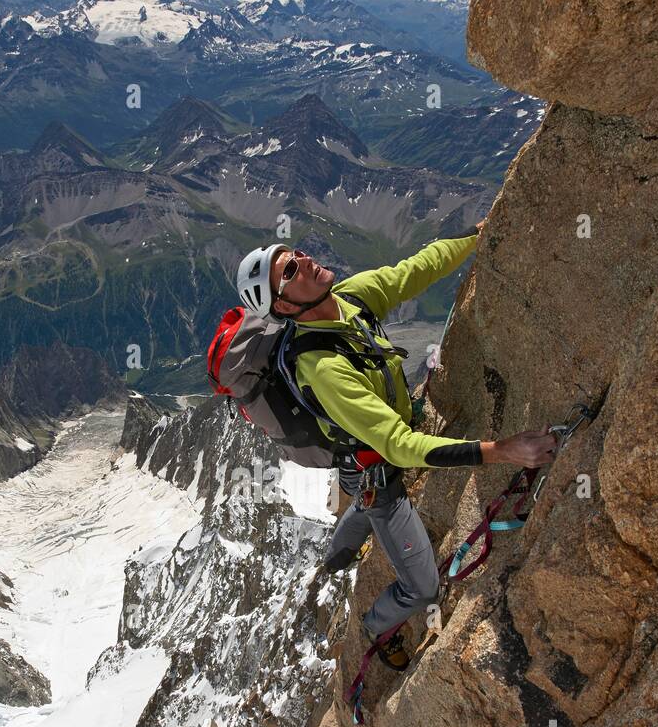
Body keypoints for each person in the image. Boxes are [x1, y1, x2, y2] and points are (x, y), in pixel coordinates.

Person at [235, 228, 556, 669]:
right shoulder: (323, 369)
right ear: (286, 306)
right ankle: (376, 624)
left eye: (297, 254)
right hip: (376, 471)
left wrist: (480, 234)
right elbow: (398, 446)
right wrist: (501, 450)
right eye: (290, 270)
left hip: (359, 463)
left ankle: (339, 553)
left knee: (361, 505)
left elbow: (413, 271)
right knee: (422, 587)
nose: (305, 260)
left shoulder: (350, 299)